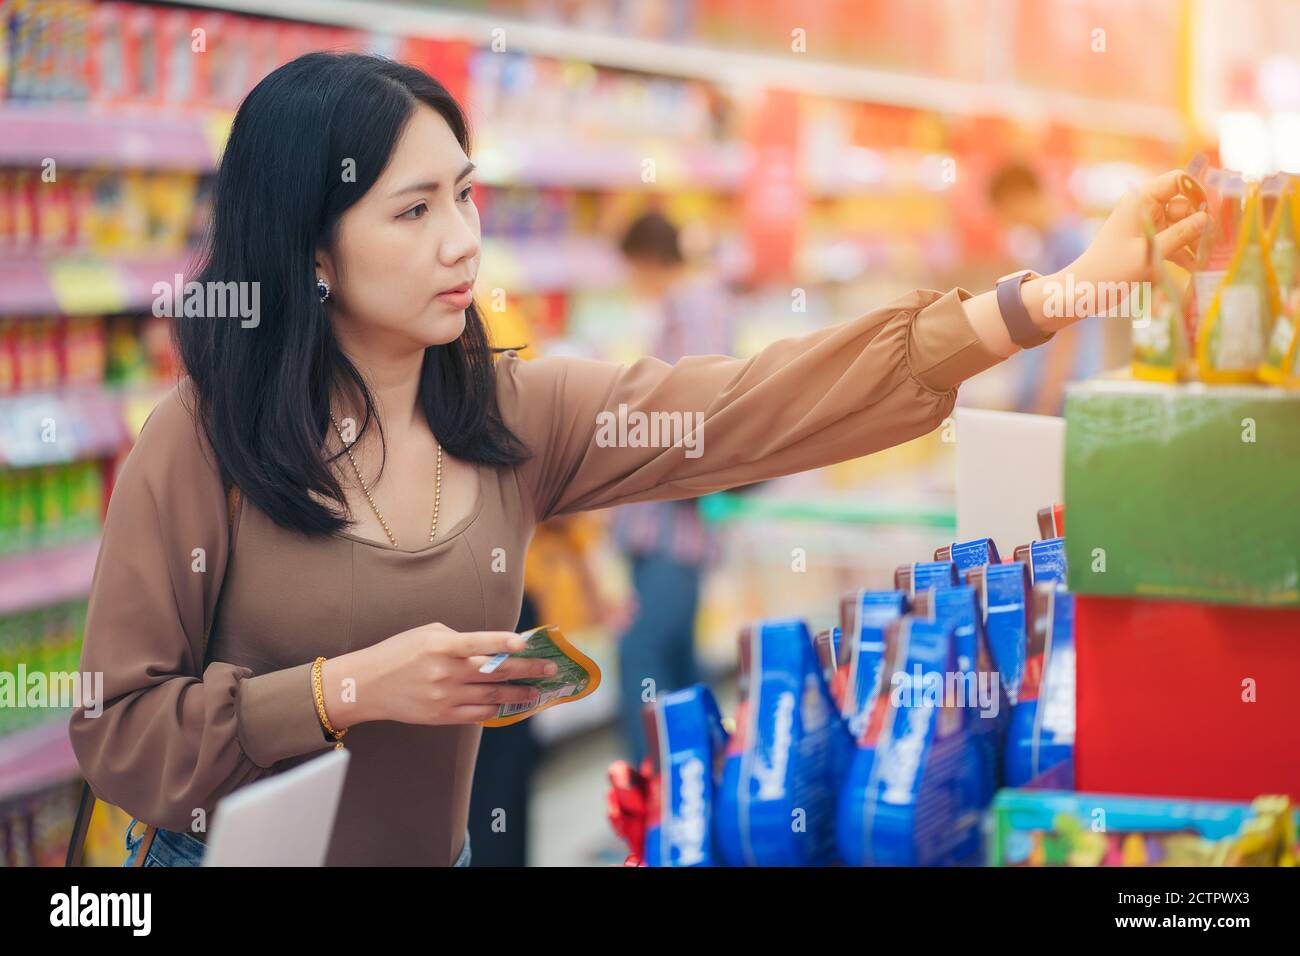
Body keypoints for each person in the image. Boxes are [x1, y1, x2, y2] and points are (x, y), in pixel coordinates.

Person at [70, 51, 1206, 867]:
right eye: (413, 210)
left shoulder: (514, 414)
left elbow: (762, 403)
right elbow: (116, 729)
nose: (463, 239)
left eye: (465, 195)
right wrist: (345, 690)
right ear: (312, 250)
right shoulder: (201, 438)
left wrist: (1050, 298)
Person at [611, 211, 734, 767]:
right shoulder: (693, 305)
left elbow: (693, 411)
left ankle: (651, 801)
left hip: (673, 529)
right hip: (667, 526)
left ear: (643, 260)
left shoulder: (693, 305)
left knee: (642, 658)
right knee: (679, 664)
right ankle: (694, 800)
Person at [987, 161, 1101, 416]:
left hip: (1061, 396)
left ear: (1019, 198)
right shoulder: (1046, 246)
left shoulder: (1067, 245)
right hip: (1049, 393)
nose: (1009, 222)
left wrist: (1045, 403)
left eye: (1006, 212)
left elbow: (1069, 332)